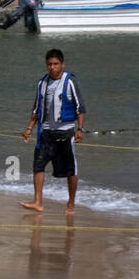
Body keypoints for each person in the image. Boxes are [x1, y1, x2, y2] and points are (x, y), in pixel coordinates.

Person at [20, 48, 85, 214]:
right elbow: (36, 108)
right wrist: (29, 128)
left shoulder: (70, 82)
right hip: (46, 132)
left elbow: (81, 108)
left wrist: (80, 129)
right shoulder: (42, 83)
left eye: (55, 64)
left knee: (70, 169)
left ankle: (71, 203)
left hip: (65, 132)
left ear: (62, 64)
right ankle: (37, 201)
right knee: (38, 165)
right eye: (49, 64)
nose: (52, 67)